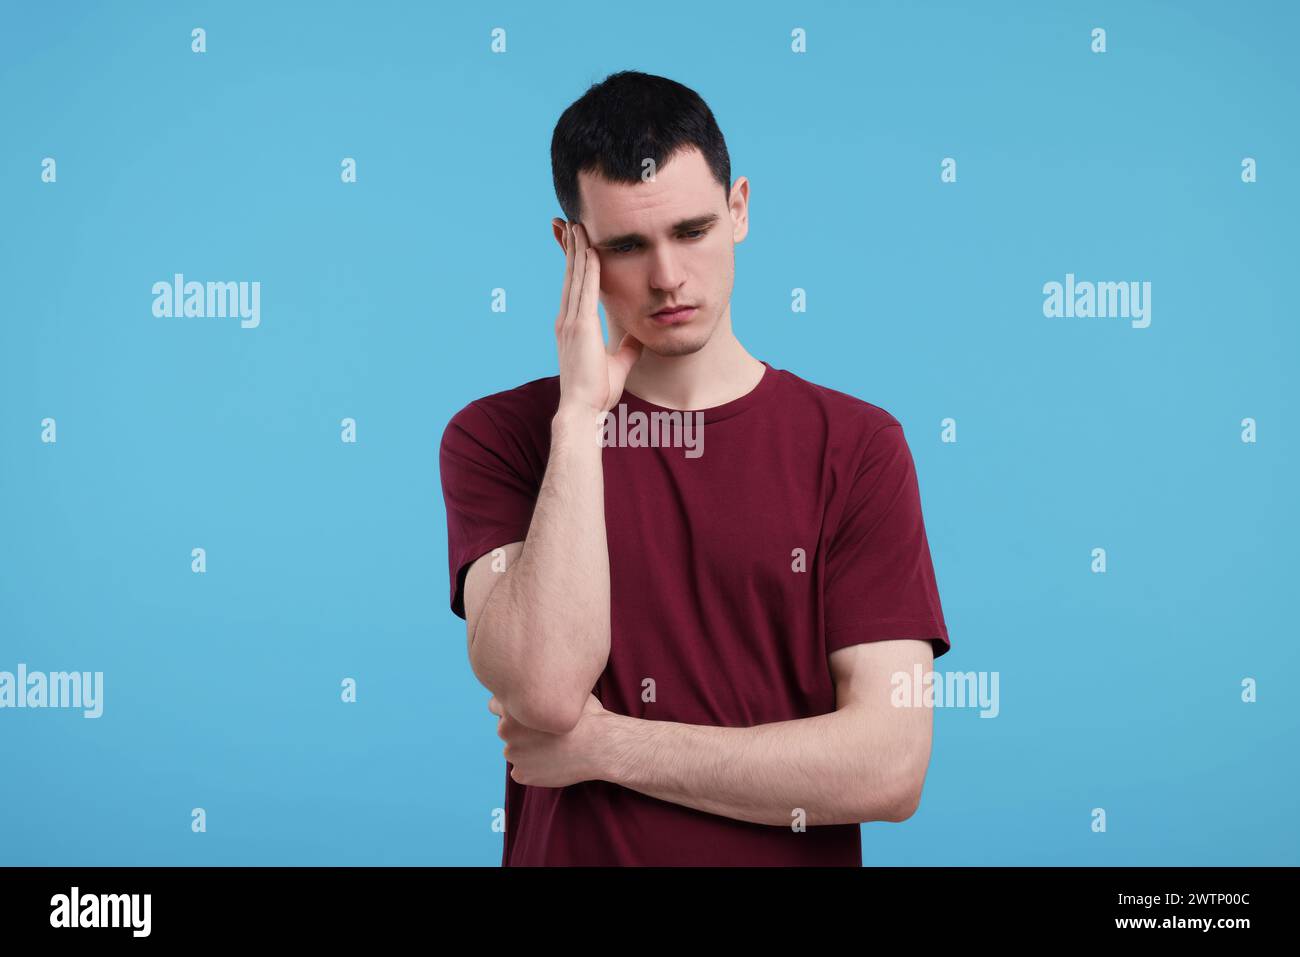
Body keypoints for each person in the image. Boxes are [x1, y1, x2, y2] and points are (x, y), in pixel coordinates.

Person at [439, 70, 950, 866]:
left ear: (739, 208)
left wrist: (610, 746)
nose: (668, 276)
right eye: (626, 245)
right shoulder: (500, 437)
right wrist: (578, 422)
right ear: (572, 247)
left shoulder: (858, 447)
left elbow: (890, 765)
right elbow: (542, 688)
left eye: (693, 230)